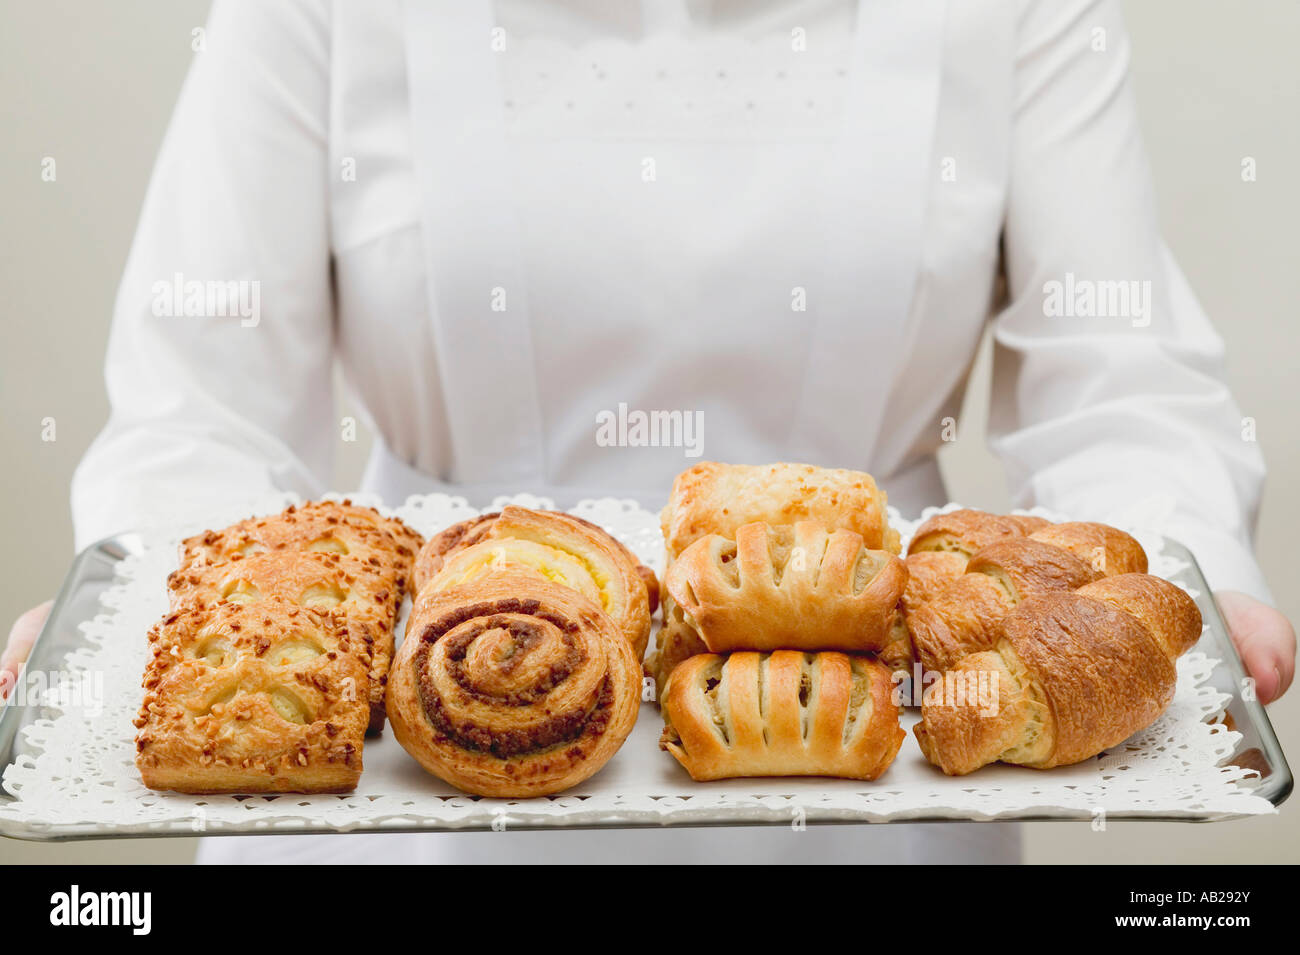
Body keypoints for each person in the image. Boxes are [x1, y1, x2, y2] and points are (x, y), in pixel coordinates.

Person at [4, 0, 1294, 864]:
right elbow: (200, 396)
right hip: (410, 781)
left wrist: (1174, 575)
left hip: (886, 755)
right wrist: (145, 619)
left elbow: (1122, 376)